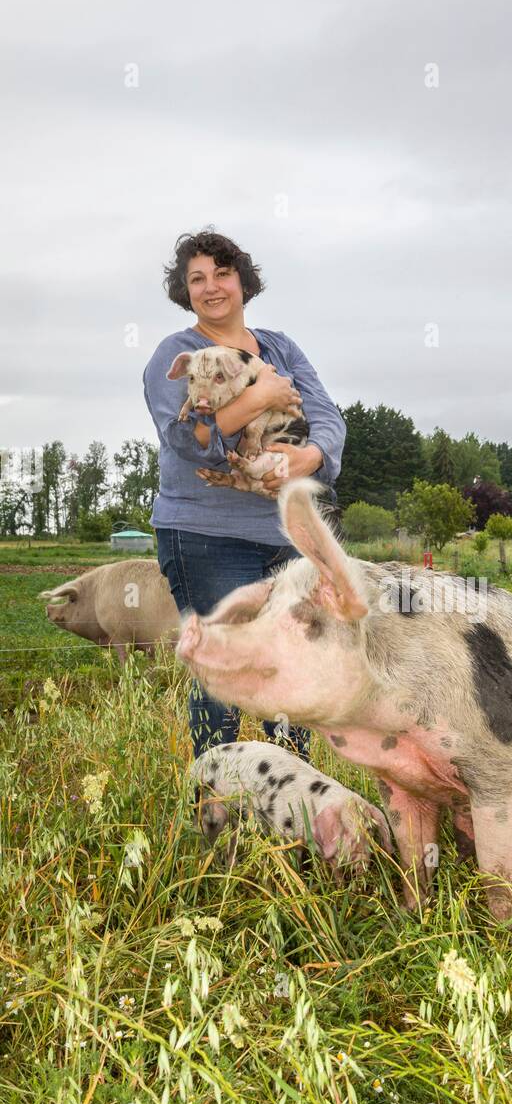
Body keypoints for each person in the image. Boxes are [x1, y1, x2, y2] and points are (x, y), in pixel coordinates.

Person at [143, 228, 346, 759]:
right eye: (197, 278)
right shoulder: (179, 352)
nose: (211, 287)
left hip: (285, 537)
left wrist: (310, 457)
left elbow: (326, 414)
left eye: (222, 273)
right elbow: (190, 442)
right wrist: (260, 395)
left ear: (243, 281)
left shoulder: (281, 347)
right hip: (206, 536)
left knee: (292, 660)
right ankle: (216, 810)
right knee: (221, 665)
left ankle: (294, 797)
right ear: (184, 290)